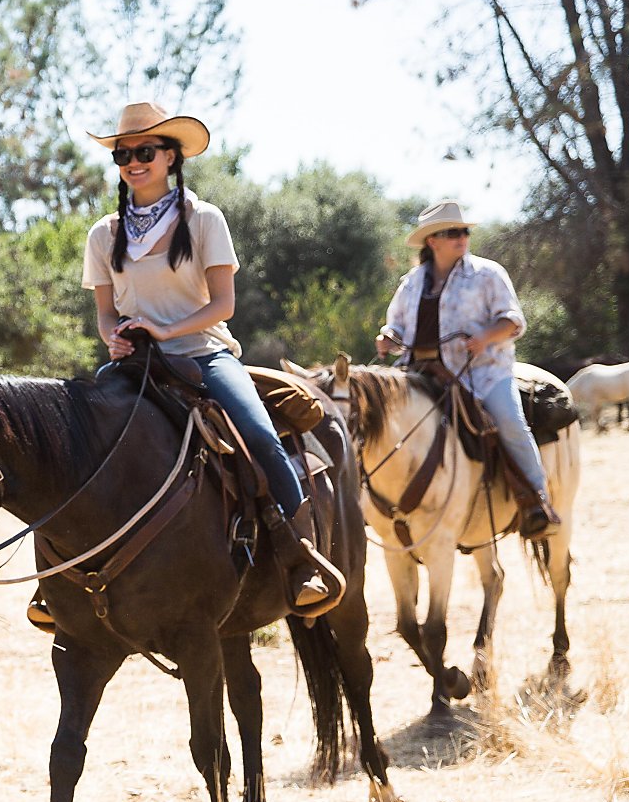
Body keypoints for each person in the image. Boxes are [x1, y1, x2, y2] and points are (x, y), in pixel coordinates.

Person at [68, 101, 344, 621]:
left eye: (145, 151)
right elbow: (105, 314)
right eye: (124, 153)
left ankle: (301, 557)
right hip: (135, 364)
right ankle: (61, 582)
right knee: (78, 440)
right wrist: (116, 340)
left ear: (170, 156)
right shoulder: (103, 234)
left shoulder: (204, 220)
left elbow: (223, 305)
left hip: (203, 354)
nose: (133, 161)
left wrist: (167, 330)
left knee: (259, 437)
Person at [376, 200, 558, 538]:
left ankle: (537, 501)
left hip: (483, 373)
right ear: (433, 241)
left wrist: (486, 337)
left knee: (510, 422)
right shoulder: (412, 282)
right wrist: (389, 337)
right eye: (453, 232)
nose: (462, 237)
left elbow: (513, 320)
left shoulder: (488, 274)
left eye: (465, 231)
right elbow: (396, 324)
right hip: (418, 374)